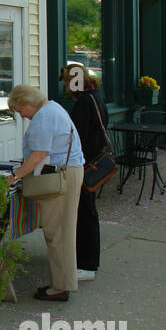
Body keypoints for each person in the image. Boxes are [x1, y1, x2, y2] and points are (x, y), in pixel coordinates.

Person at [8, 84, 85, 301]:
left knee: (58, 233)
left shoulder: (43, 117)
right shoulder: (53, 108)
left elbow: (38, 154)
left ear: (27, 103)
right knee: (62, 231)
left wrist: (14, 176)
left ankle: (61, 287)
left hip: (61, 176)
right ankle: (62, 283)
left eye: (19, 110)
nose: (21, 115)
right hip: (68, 172)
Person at [60, 63, 106, 283]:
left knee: (84, 214)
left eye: (67, 82)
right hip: (93, 163)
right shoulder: (95, 97)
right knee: (88, 213)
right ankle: (87, 261)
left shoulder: (84, 104)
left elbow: (75, 139)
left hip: (84, 165)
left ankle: (86, 264)